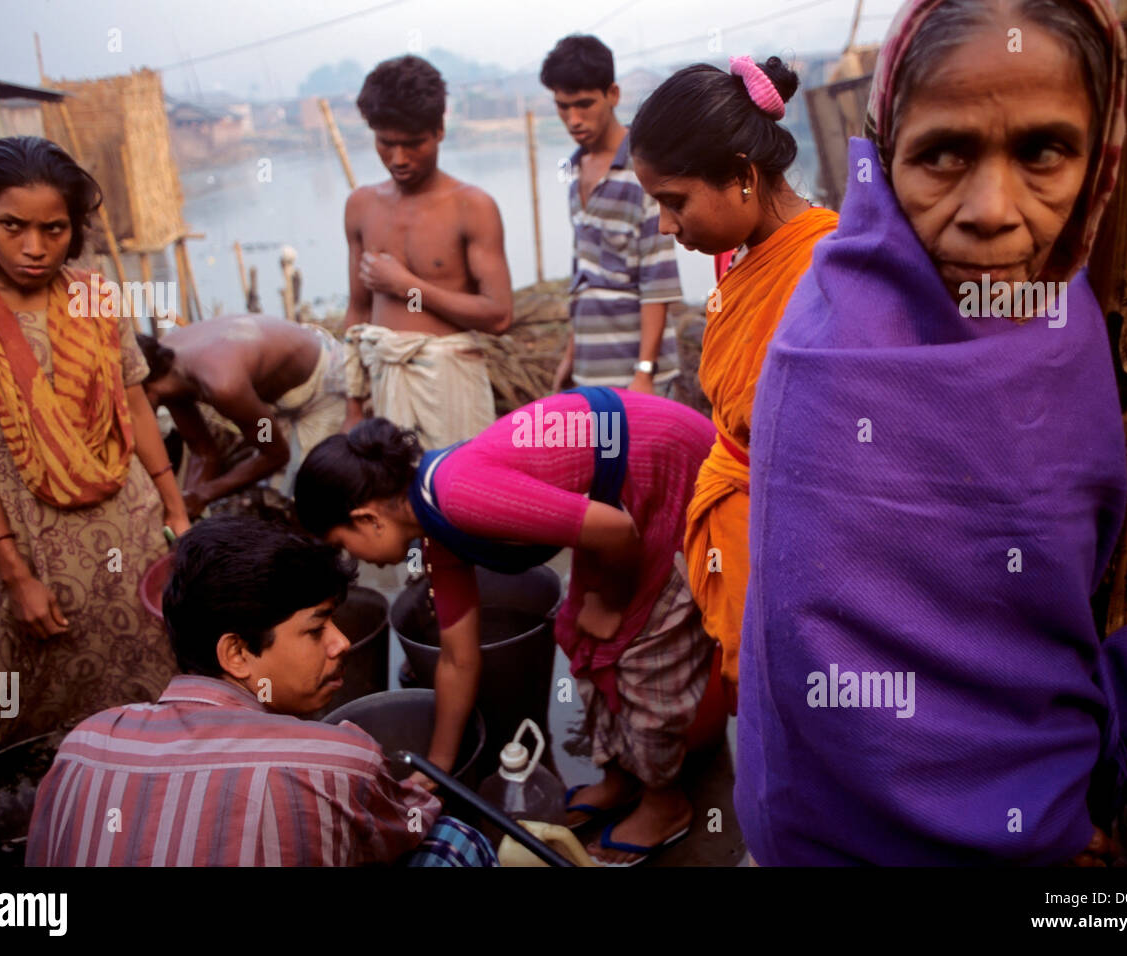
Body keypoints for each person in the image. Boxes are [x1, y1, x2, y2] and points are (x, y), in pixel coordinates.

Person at [738, 0, 1127, 865]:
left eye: (1043, 151)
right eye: (944, 155)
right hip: (856, 828)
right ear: (885, 151)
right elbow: (824, 678)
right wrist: (1039, 826)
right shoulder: (828, 358)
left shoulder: (1060, 305)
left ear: (1099, 154)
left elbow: (1079, 547)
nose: (992, 211)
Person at [295, 389, 717, 864]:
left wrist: (607, 602)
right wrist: (439, 766)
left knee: (641, 652)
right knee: (577, 636)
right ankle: (621, 778)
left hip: (670, 465)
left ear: (366, 518)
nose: (356, 558)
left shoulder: (459, 493)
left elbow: (616, 532)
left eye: (344, 544)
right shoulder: (437, 526)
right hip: (615, 502)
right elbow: (459, 657)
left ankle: (665, 803)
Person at [0, 136, 186, 766]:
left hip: (131, 523)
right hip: (32, 545)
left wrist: (175, 508)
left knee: (154, 690)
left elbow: (137, 404)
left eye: (54, 229)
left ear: (74, 228)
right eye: (12, 226)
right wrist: (16, 577)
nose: (34, 248)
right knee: (50, 723)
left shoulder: (95, 293)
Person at [26, 516, 497, 867]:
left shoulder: (82, 747)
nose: (342, 642)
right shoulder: (332, 763)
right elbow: (408, 822)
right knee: (453, 842)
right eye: (316, 629)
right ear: (237, 654)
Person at [629, 55, 838, 708]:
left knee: (795, 705)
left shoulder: (829, 271)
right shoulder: (742, 258)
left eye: (675, 201)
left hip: (802, 539)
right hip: (746, 508)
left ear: (743, 177)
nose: (665, 225)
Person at [342, 55, 513, 450]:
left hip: (451, 384)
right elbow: (357, 312)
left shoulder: (472, 206)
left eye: (413, 144)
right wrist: (352, 405)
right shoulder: (360, 206)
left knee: (457, 501)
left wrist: (406, 285)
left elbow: (500, 315)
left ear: (439, 130)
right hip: (384, 380)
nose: (399, 159)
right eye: (386, 143)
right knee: (392, 501)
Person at [540, 35, 683, 396]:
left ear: (613, 95)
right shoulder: (575, 171)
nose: (573, 119)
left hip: (639, 379)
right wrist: (570, 357)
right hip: (590, 373)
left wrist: (645, 373)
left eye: (584, 104)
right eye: (562, 106)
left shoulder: (644, 169)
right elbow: (584, 277)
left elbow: (657, 280)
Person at [137, 314, 352, 512]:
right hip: (278, 385)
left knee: (311, 498)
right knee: (279, 492)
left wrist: (203, 495)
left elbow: (275, 454)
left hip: (325, 384)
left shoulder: (223, 386)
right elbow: (203, 452)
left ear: (146, 392)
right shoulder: (162, 369)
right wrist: (186, 505)